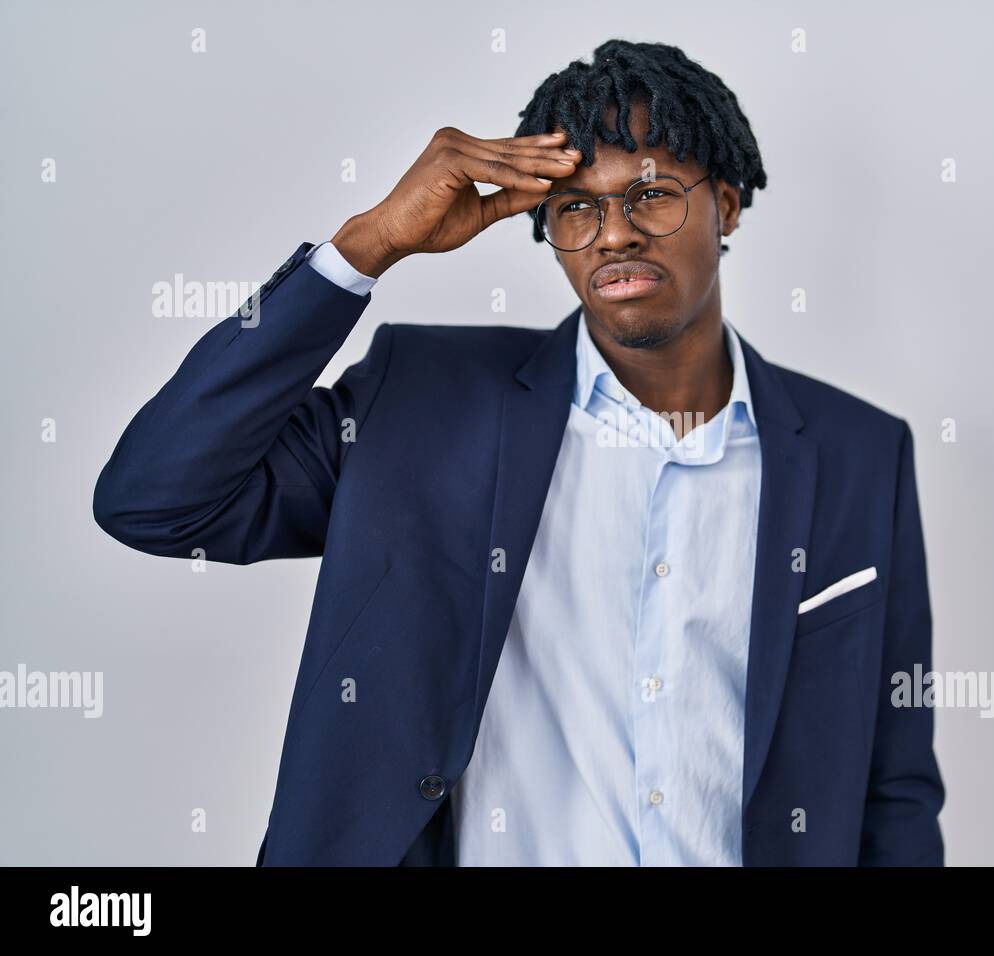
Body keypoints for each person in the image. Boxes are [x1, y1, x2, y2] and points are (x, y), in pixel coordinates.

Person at [93, 38, 944, 866]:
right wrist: (369, 245)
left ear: (724, 205)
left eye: (650, 196)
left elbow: (894, 786)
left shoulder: (859, 453)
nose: (613, 235)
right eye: (576, 207)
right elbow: (156, 499)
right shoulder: (421, 404)